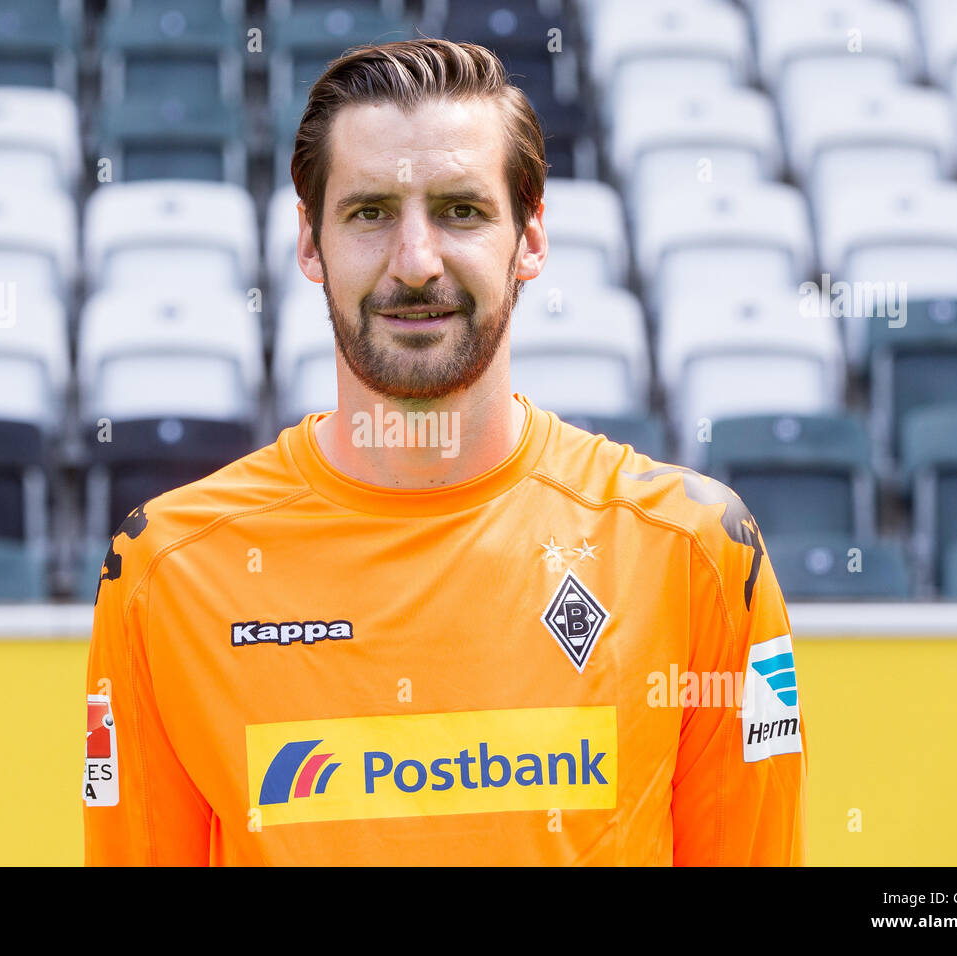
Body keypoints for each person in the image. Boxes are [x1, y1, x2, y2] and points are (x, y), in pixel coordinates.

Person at [84, 38, 806, 865]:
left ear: (531, 236)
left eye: (460, 210)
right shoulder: (166, 570)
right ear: (311, 243)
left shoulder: (697, 553)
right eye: (370, 213)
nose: (417, 263)